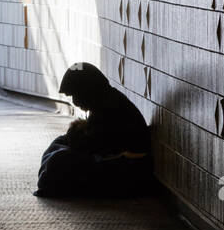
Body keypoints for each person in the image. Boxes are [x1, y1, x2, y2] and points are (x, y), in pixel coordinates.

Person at [34, 62, 155, 198]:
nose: (75, 102)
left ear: (88, 90)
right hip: (111, 158)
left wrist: (76, 136)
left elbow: (93, 147)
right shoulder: (103, 102)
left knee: (58, 160)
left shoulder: (111, 108)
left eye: (76, 95)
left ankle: (50, 177)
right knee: (59, 142)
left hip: (127, 168)